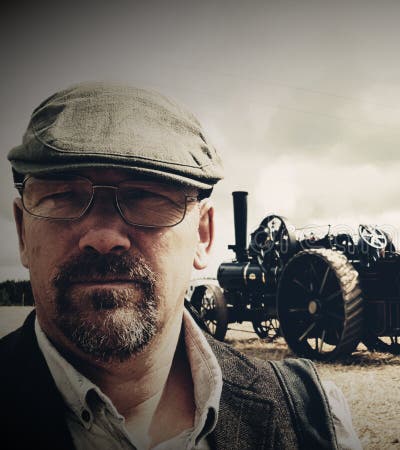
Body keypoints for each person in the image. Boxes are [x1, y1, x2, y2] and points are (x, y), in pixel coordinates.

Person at [1, 82, 361, 449]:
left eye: (146, 196)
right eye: (62, 196)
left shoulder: (310, 418)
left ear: (203, 235)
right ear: (22, 233)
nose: (104, 236)